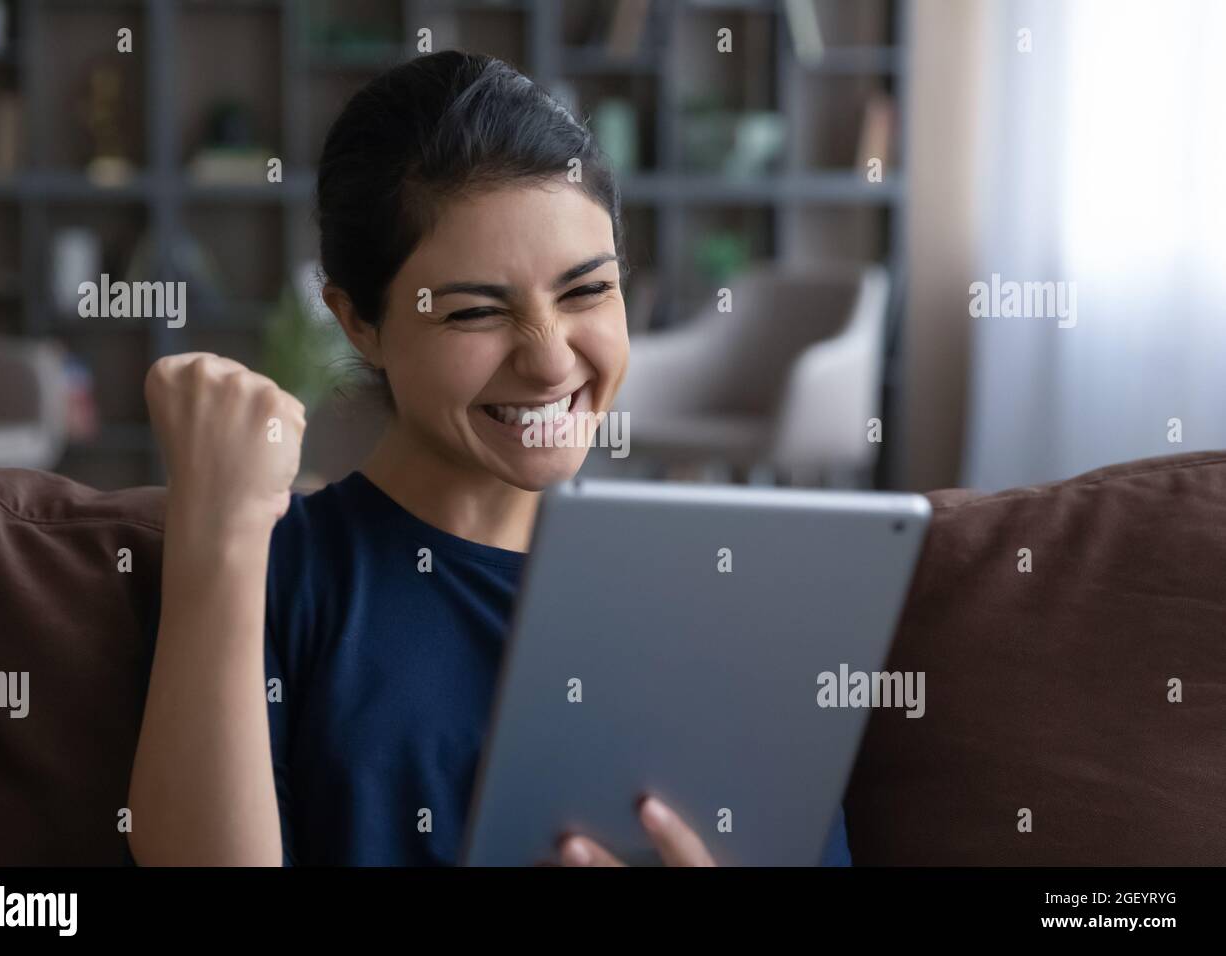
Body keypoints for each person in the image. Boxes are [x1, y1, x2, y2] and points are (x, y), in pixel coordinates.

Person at [126, 50, 852, 867]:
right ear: (359, 322)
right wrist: (217, 534)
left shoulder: (729, 593)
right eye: (475, 312)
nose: (549, 361)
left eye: (586, 291)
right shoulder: (273, 574)